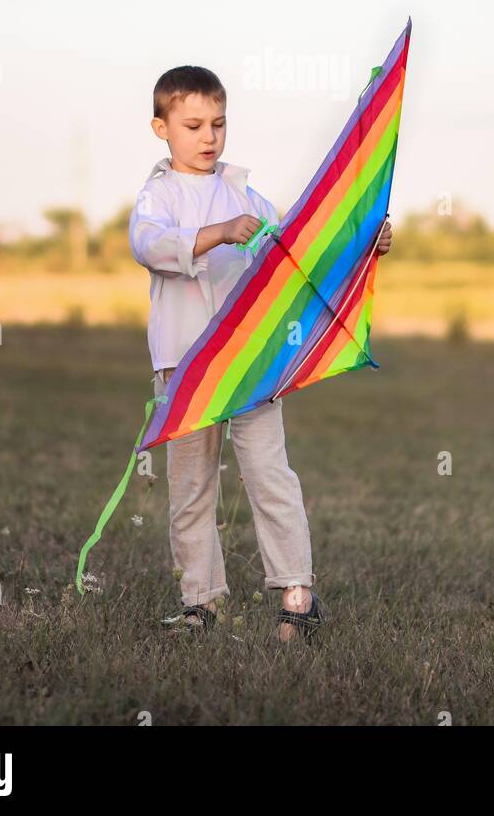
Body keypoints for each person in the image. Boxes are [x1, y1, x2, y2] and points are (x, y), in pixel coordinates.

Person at [129, 63, 392, 642]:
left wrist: (363, 241)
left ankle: (296, 593)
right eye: (193, 125)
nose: (208, 137)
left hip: (251, 359)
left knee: (269, 472)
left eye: (218, 124)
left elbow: (299, 250)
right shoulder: (158, 194)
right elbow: (148, 246)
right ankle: (201, 601)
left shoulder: (245, 192)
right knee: (192, 485)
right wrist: (220, 233)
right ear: (161, 128)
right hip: (184, 364)